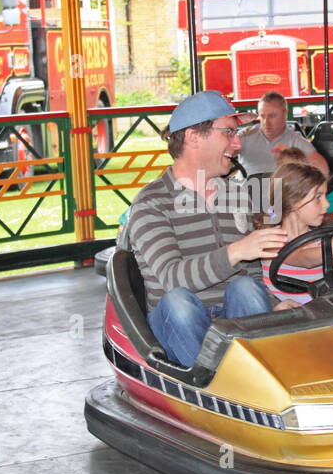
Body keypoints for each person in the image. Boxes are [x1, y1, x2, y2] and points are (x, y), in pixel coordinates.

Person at [119, 90, 292, 367]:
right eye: (228, 133)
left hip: (229, 317)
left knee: (246, 287)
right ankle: (215, 383)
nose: (237, 144)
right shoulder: (152, 202)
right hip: (178, 324)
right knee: (178, 301)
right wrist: (234, 252)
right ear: (193, 137)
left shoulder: (238, 195)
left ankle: (249, 381)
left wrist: (273, 304)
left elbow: (250, 273)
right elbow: (172, 278)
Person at [258, 154, 333, 304]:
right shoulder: (270, 240)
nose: (327, 204)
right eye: (318, 197)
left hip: (322, 312)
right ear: (293, 201)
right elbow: (301, 258)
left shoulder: (323, 239)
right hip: (286, 318)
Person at [235, 90, 329, 176]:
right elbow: (227, 149)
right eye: (263, 116)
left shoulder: (294, 140)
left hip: (277, 192)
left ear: (285, 114)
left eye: (272, 116)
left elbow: (322, 168)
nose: (266, 122)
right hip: (244, 191)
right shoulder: (246, 135)